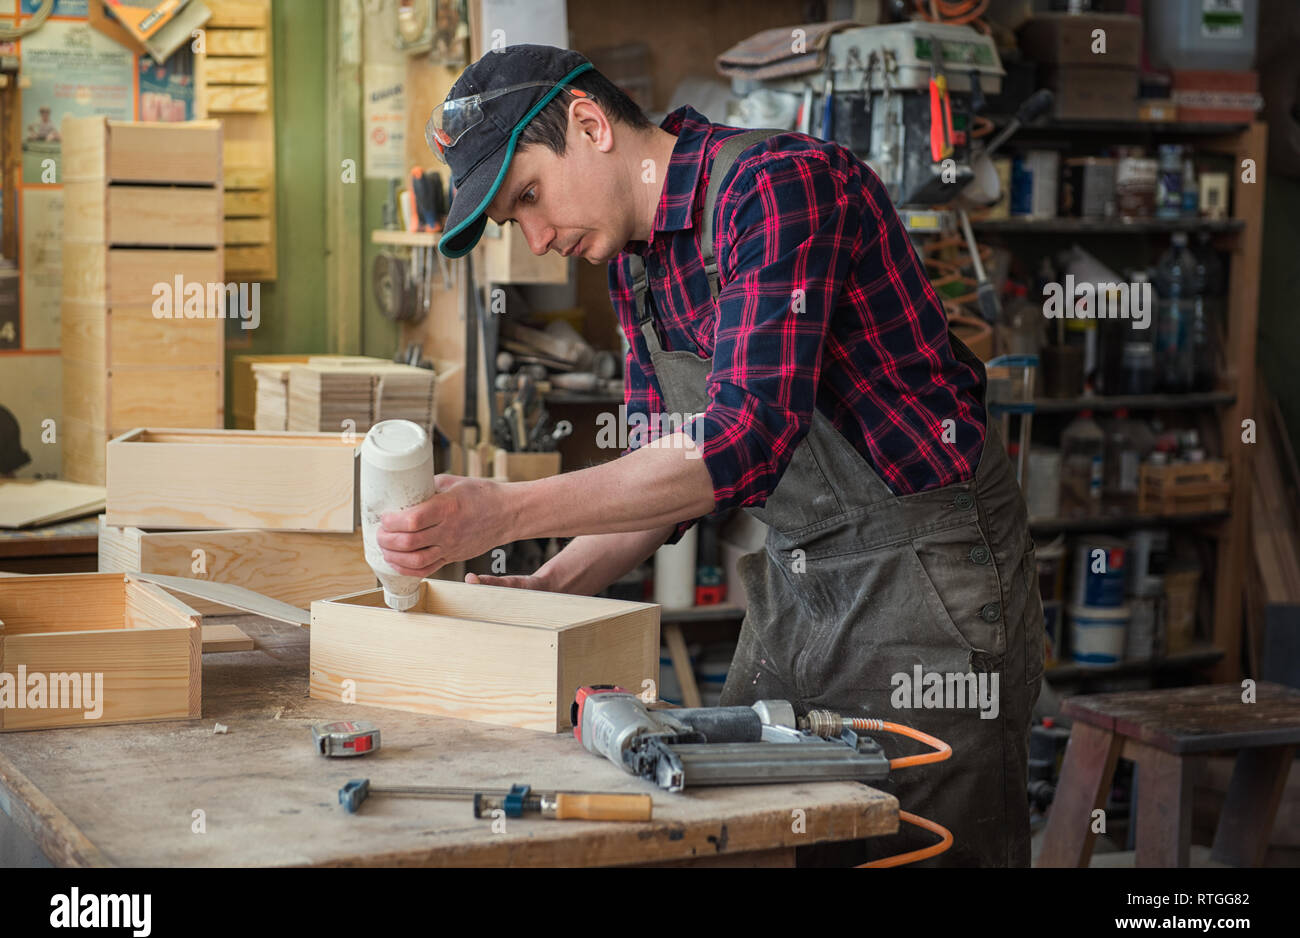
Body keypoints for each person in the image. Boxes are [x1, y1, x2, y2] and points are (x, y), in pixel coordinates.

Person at [378, 44, 1045, 866]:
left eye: (529, 197)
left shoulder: (777, 189)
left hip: (928, 584)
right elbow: (665, 471)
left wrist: (506, 510)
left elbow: (738, 444)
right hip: (802, 584)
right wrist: (548, 588)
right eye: (519, 222)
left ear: (590, 125)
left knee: (919, 849)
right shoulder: (635, 263)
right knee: (730, 834)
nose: (541, 237)